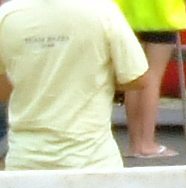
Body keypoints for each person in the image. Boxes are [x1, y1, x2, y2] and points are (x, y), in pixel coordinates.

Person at [0, 0, 147, 170]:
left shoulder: (7, 15)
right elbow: (136, 78)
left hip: (26, 159)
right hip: (93, 160)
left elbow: (3, 91)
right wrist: (97, 79)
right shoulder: (102, 10)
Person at [113, 0, 183, 158]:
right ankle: (147, 143)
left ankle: (135, 143)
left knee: (135, 76)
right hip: (162, 12)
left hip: (127, 13)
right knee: (153, 76)